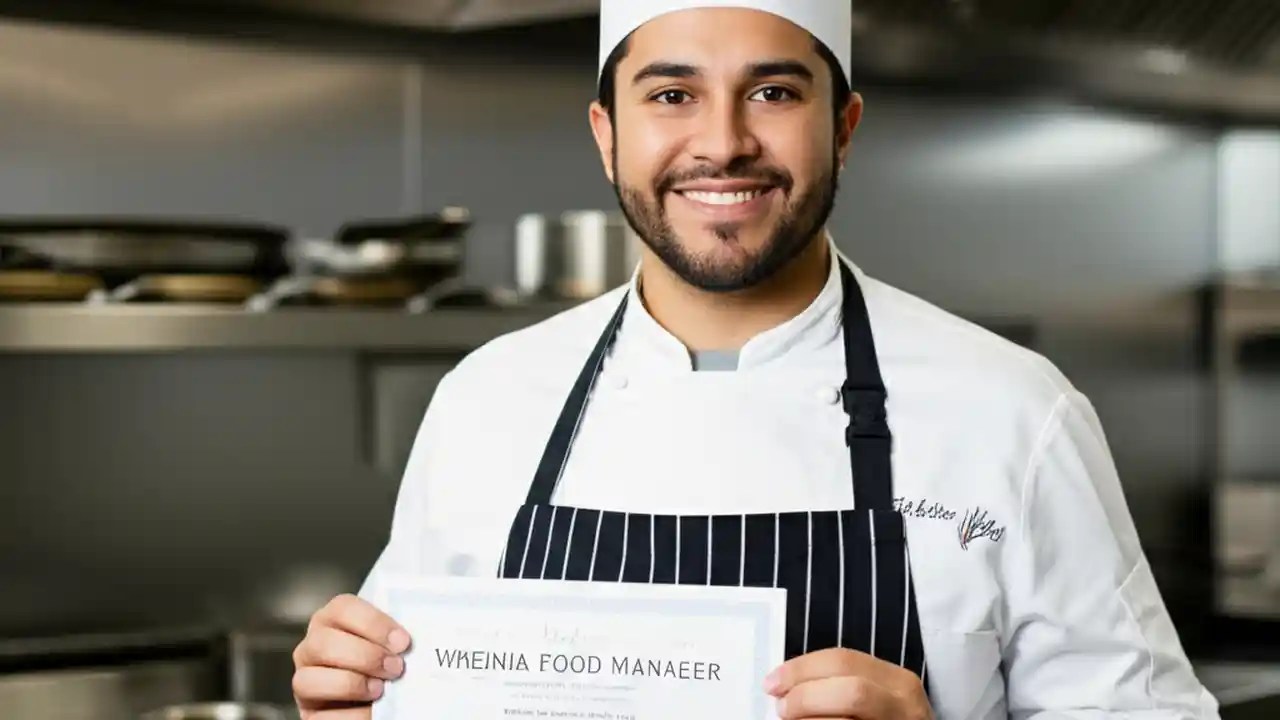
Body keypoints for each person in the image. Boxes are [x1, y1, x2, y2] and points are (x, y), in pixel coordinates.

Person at [291, 1, 1220, 718]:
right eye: (670, 95)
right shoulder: (487, 402)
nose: (724, 142)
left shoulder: (1012, 412)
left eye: (774, 92)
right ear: (606, 134)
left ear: (844, 128)